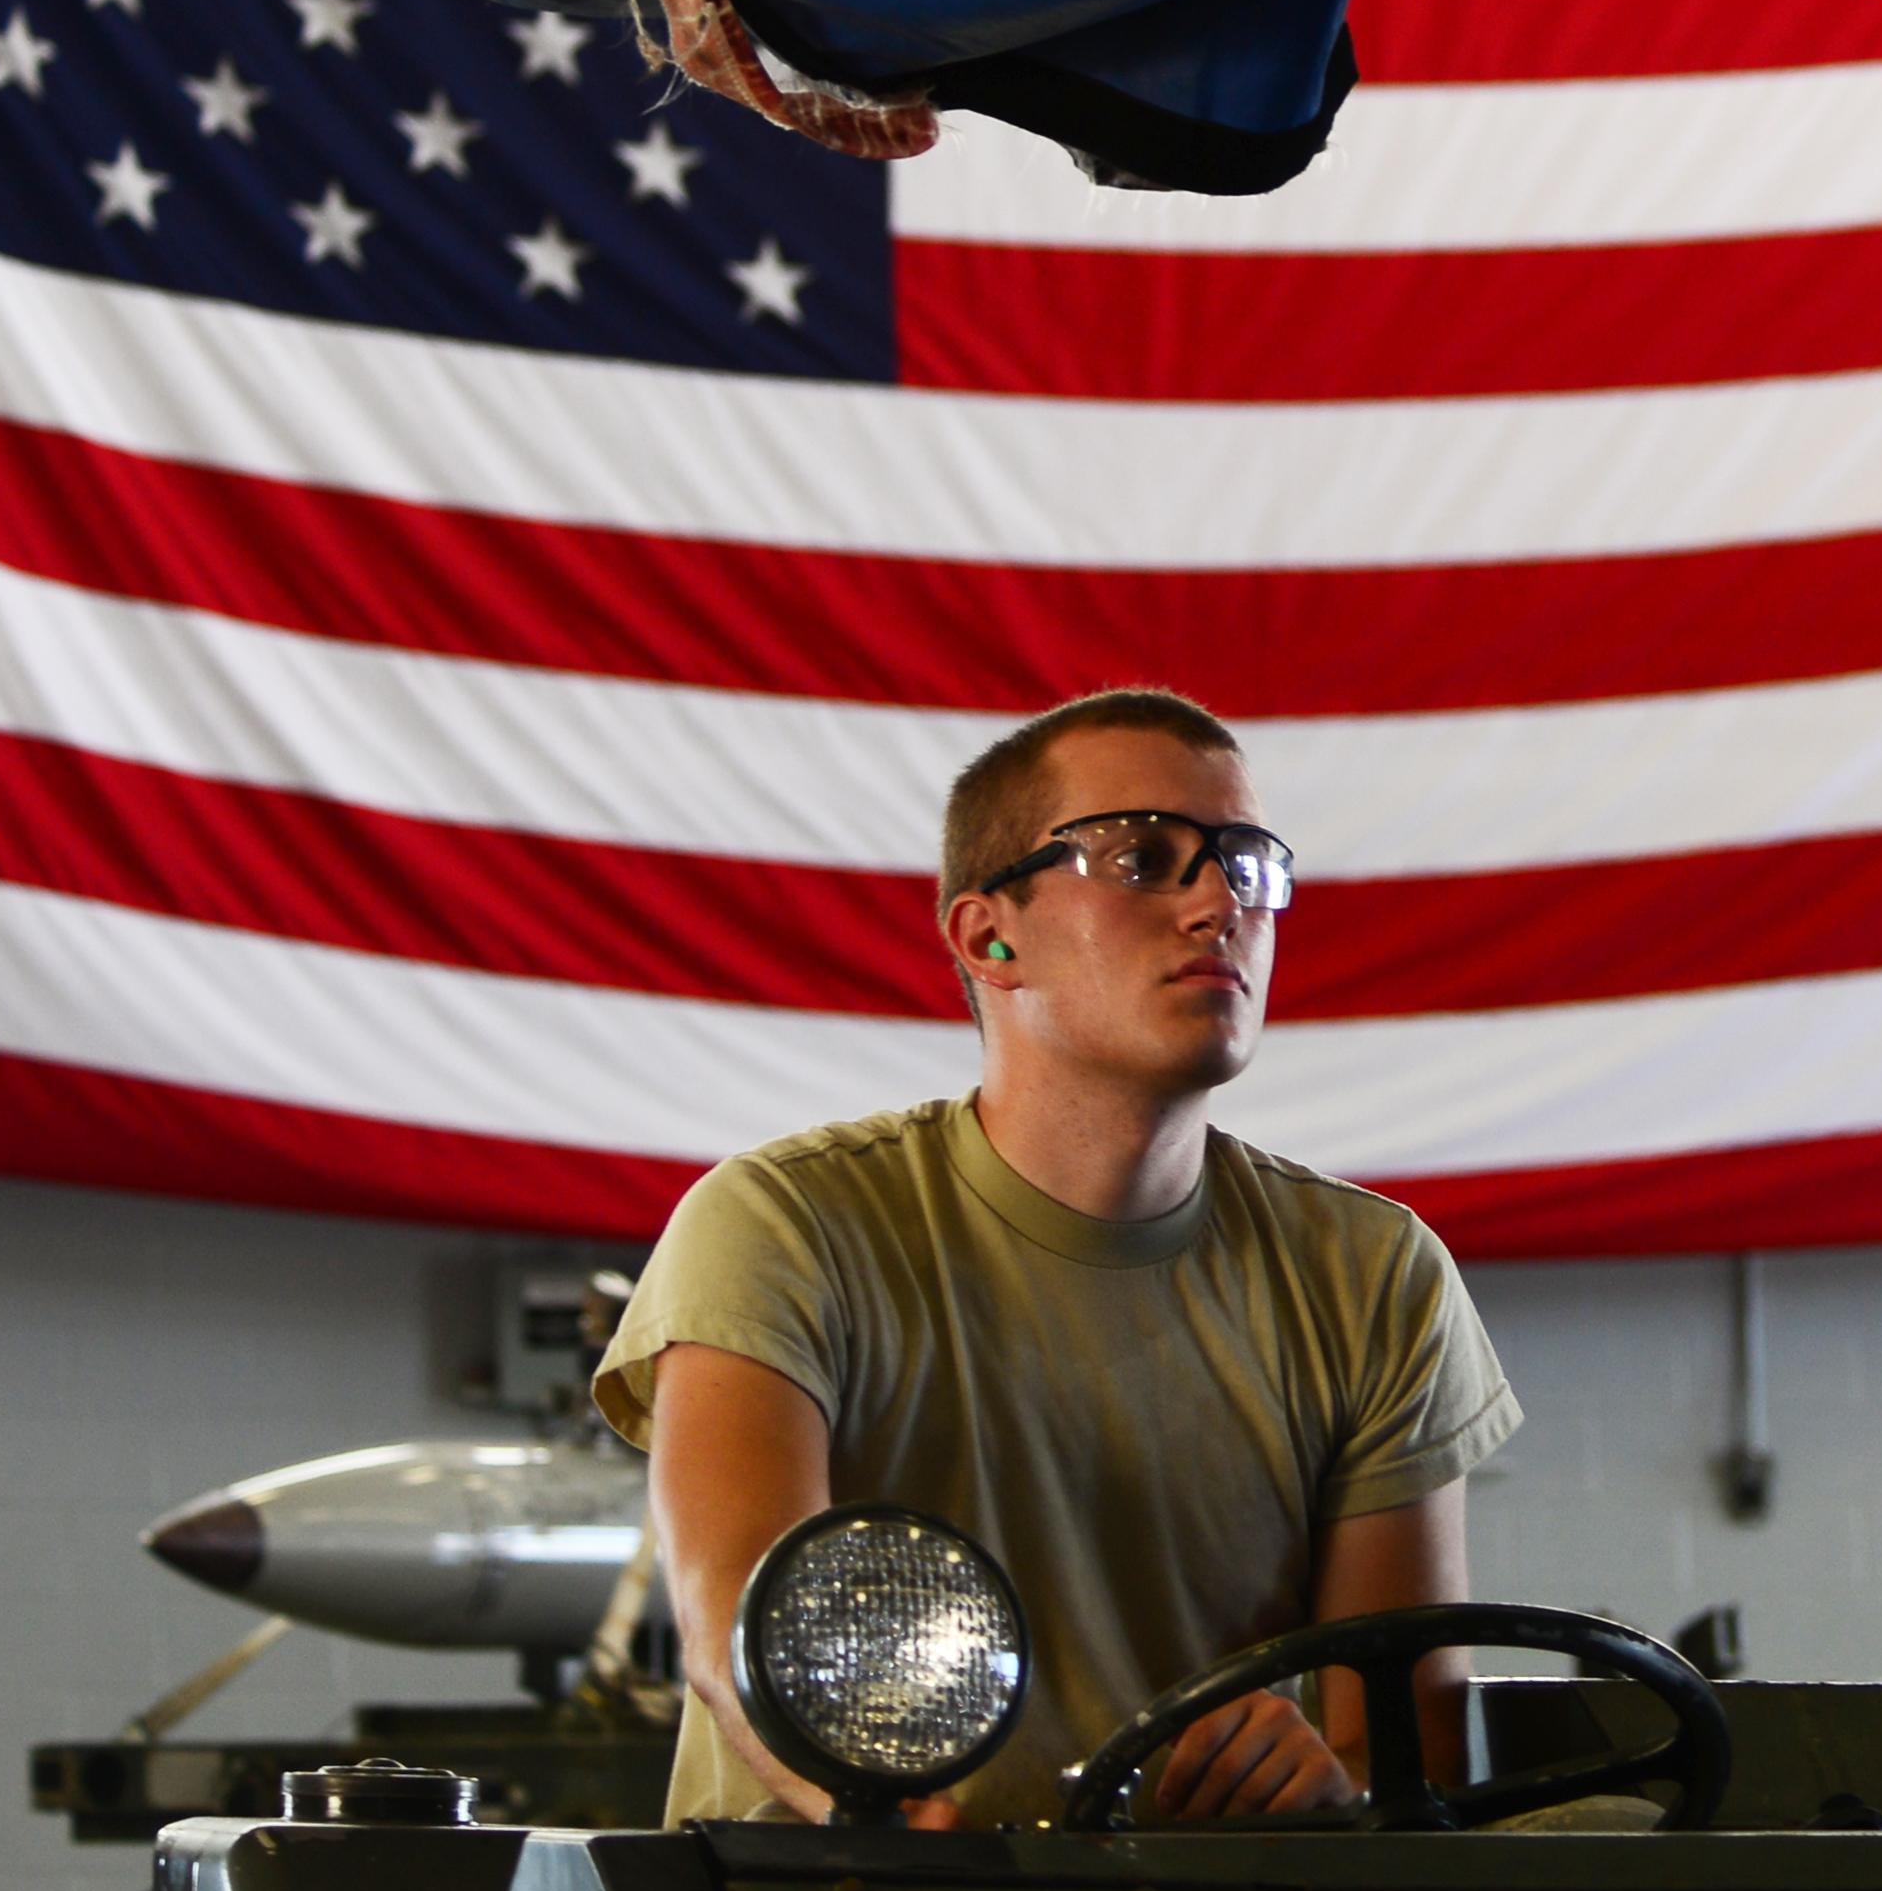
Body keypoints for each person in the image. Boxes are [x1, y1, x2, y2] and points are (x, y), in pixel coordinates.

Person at [596, 685, 1517, 1831]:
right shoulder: (783, 1222)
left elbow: (1404, 1744)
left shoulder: (1374, 1273)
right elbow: (738, 1636)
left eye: (1245, 864)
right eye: (1142, 857)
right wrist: (921, 1857)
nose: (1215, 903)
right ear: (990, 936)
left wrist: (1328, 1793)